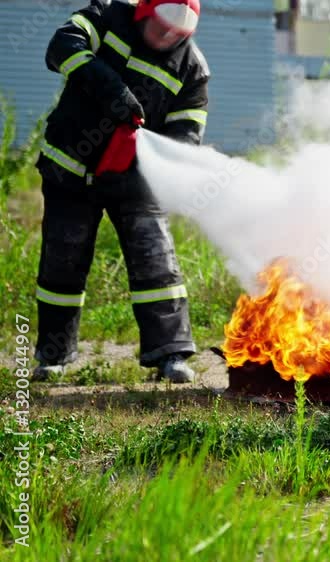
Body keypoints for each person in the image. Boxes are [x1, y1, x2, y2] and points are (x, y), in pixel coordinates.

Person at [32, 0, 210, 383]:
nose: (166, 37)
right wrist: (108, 86)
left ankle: (171, 356)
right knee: (62, 261)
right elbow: (61, 46)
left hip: (137, 182)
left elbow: (187, 134)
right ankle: (53, 356)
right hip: (70, 168)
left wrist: (158, 158)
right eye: (160, 26)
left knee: (156, 262)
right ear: (143, 12)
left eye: (177, 34)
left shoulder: (192, 69)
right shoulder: (106, 17)